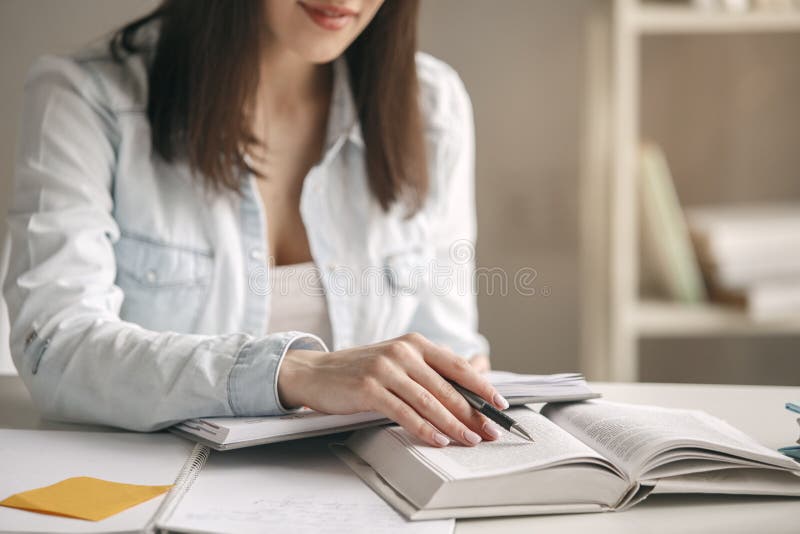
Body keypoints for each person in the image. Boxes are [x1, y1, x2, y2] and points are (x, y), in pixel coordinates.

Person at [4, 0, 505, 448]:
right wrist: (293, 372)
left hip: (363, 496)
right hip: (145, 493)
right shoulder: (85, 97)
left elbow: (447, 343)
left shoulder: (432, 105)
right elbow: (56, 349)